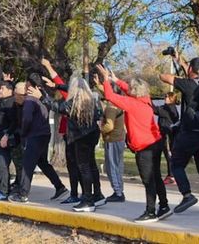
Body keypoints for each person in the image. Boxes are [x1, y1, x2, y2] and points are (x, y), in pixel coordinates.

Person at [97, 65, 171, 223]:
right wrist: (116, 80)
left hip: (145, 148)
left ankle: (150, 211)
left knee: (148, 180)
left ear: (133, 91)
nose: (127, 89)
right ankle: (164, 206)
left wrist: (105, 79)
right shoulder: (145, 99)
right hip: (156, 142)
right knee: (156, 176)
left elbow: (110, 95)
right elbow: (127, 89)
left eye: (129, 88)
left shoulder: (131, 104)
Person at [159, 56, 199, 214]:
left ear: (191, 69)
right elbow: (193, 74)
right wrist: (182, 63)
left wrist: (178, 70)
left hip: (188, 133)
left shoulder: (188, 85)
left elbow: (164, 77)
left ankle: (187, 194)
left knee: (176, 164)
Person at [44, 76, 105, 212]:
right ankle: (97, 194)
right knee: (91, 165)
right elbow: (98, 114)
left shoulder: (73, 103)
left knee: (84, 168)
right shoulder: (92, 99)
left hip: (80, 137)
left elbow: (57, 107)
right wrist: (57, 86)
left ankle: (87, 200)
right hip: (92, 134)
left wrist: (43, 98)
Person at [10, 76, 68, 203]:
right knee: (42, 163)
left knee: (27, 164)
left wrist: (23, 134)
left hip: (34, 135)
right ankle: (60, 187)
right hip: (45, 134)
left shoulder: (30, 101)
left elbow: (27, 120)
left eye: (27, 85)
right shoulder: (43, 97)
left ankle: (23, 194)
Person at [40, 58, 81, 206]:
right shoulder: (78, 96)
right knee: (79, 166)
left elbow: (59, 80)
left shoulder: (74, 100)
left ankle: (78, 194)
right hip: (71, 134)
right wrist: (55, 83)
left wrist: (48, 66)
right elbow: (59, 81)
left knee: (75, 166)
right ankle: (88, 194)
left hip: (73, 136)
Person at [0, 79, 19, 200]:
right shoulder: (2, 102)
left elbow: (14, 122)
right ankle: (3, 188)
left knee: (2, 164)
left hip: (6, 138)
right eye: (0, 88)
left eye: (2, 89)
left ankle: (4, 190)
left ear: (10, 91)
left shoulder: (11, 104)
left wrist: (6, 135)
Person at [99, 75, 127, 203]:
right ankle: (120, 189)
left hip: (112, 139)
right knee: (118, 166)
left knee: (112, 167)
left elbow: (109, 126)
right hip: (120, 138)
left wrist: (101, 129)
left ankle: (117, 192)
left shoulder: (110, 107)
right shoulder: (120, 103)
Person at [155, 91, 179, 185]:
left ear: (172, 98)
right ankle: (171, 175)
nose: (165, 98)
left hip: (168, 135)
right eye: (165, 96)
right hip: (164, 134)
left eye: (167, 97)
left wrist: (147, 99)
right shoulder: (166, 107)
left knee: (169, 156)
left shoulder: (170, 109)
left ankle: (172, 176)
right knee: (167, 155)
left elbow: (156, 110)